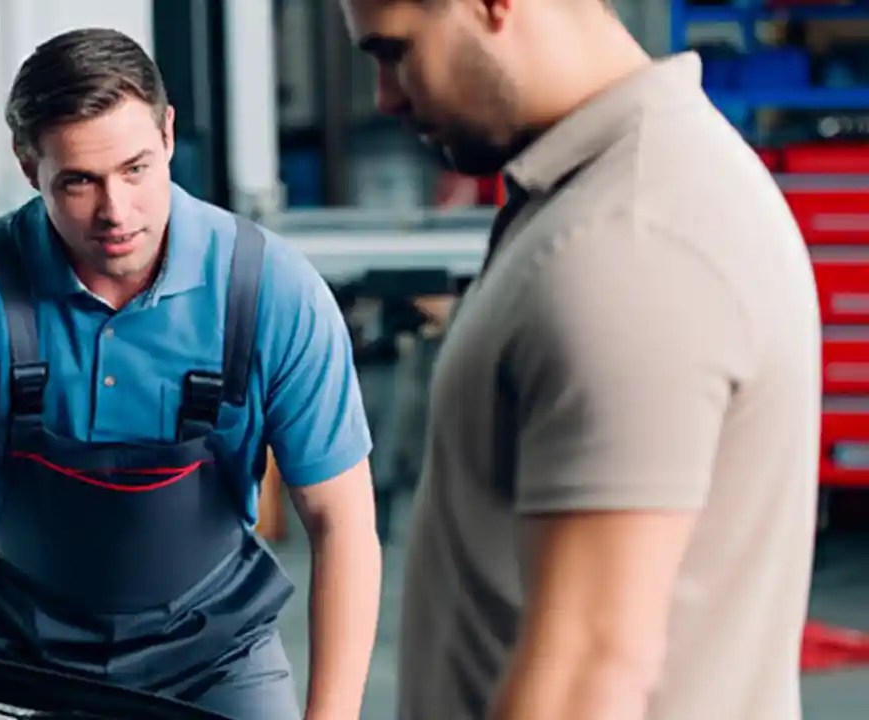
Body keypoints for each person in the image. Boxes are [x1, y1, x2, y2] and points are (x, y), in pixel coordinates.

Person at [0, 27, 382, 720]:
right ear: (27, 164)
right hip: (26, 662)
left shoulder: (270, 289)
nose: (115, 211)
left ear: (167, 135)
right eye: (78, 181)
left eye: (135, 168)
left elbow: (342, 522)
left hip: (220, 661)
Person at [340, 1, 821, 719]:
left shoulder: (628, 240)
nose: (387, 95)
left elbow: (589, 675)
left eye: (397, 51)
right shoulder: (610, 195)